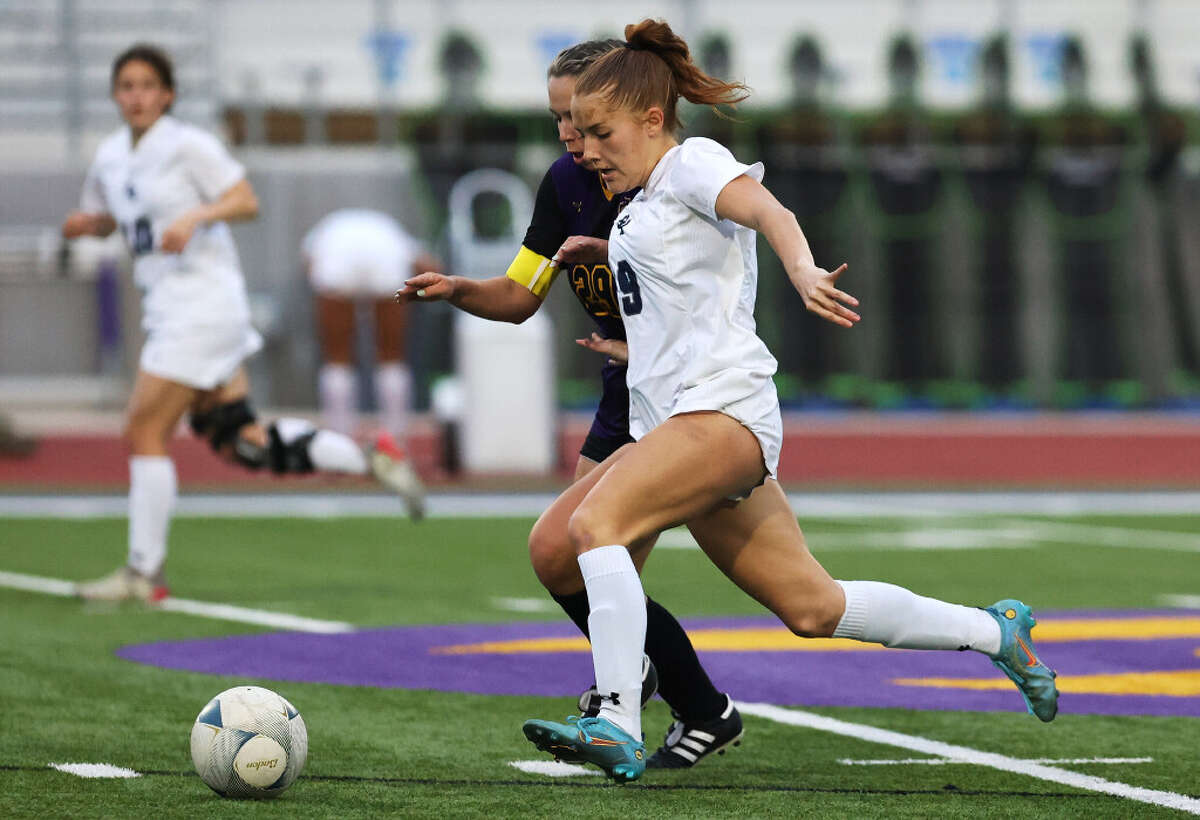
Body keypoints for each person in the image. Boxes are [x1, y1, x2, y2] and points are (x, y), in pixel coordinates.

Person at [520, 19, 1059, 783]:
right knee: (811, 607)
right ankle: (996, 631)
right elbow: (688, 285)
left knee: (594, 524)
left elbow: (770, 212)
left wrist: (803, 271)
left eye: (599, 130)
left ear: (650, 119)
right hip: (681, 422)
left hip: (723, 414)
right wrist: (626, 316)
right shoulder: (640, 205)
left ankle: (614, 714)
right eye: (576, 130)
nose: (586, 148)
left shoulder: (690, 162)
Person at [399, 40, 744, 769]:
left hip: (690, 395)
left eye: (580, 120)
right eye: (560, 120)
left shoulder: (665, 171)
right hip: (626, 391)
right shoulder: (565, 183)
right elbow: (523, 294)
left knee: (595, 546)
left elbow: (718, 277)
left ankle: (637, 699)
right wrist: (459, 287)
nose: (569, 136)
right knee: (568, 560)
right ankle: (687, 701)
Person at [61, 44, 423, 604]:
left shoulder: (188, 145)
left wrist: (197, 215)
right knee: (242, 443)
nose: (135, 96)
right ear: (115, 94)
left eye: (146, 85)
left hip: (201, 306)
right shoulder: (111, 156)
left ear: (167, 94)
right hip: (171, 309)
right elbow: (119, 216)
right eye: (126, 86)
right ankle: (370, 457)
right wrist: (91, 224)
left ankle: (141, 572)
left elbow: (244, 198)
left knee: (144, 428)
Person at [302, 208, 437, 460]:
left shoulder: (326, 231)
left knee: (337, 355)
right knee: (391, 355)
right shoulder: (392, 232)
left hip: (336, 260)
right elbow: (428, 264)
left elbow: (308, 266)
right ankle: (395, 444)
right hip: (386, 260)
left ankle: (339, 446)